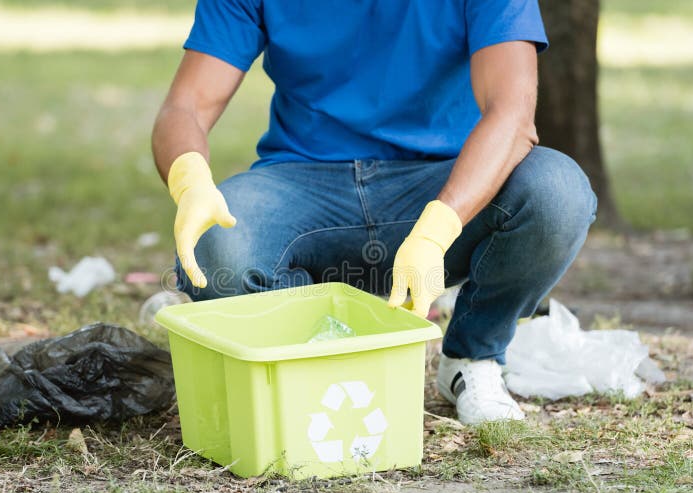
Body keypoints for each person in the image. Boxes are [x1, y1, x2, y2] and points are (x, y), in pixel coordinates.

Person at [151, 1, 597, 424]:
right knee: (217, 243)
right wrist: (188, 178)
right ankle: (314, 345)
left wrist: (439, 226)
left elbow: (512, 114)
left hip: (439, 185)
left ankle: (471, 357)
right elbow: (185, 106)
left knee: (556, 192)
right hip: (302, 186)